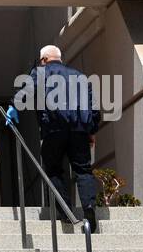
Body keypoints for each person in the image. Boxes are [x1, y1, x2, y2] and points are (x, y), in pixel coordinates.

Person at [6, 44, 102, 234]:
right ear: (59, 58)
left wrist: (13, 106)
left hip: (53, 129)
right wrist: (91, 129)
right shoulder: (80, 76)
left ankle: (66, 213)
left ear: (43, 60)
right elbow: (93, 106)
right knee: (83, 170)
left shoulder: (40, 73)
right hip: (79, 129)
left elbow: (27, 91)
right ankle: (89, 209)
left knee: (54, 170)